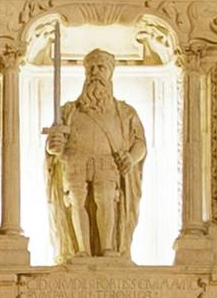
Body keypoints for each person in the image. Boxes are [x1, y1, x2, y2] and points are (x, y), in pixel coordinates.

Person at [46, 50, 147, 261]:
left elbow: (140, 143)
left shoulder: (124, 111)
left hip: (107, 162)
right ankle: (80, 251)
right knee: (76, 201)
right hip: (75, 160)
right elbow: (53, 144)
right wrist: (53, 147)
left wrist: (130, 157)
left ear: (110, 73)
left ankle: (108, 249)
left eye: (101, 68)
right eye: (91, 68)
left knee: (106, 199)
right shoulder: (69, 110)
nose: (95, 73)